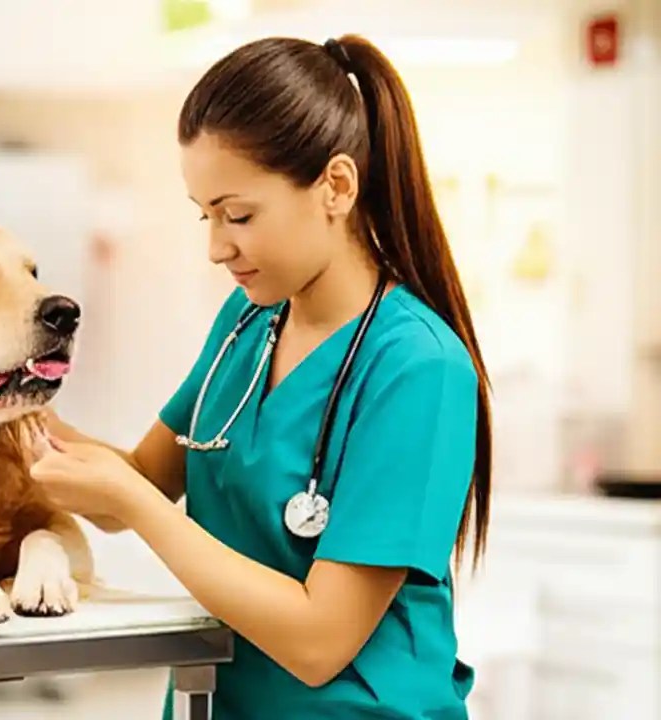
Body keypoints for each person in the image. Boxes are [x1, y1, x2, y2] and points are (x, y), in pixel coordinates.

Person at [30, 34, 491, 719]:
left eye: (239, 215)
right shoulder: (247, 326)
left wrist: (133, 503)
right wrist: (15, 415)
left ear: (336, 186)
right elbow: (139, 477)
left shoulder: (419, 368)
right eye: (205, 215)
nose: (217, 247)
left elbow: (319, 639)